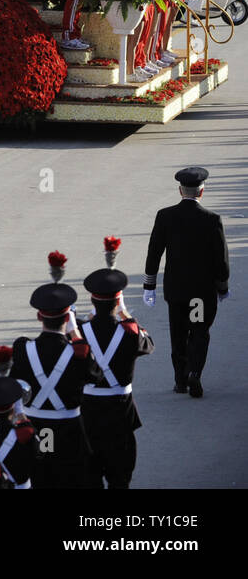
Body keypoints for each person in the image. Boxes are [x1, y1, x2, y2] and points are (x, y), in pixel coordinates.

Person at [144, 167, 231, 398]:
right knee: (199, 332)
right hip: (201, 293)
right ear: (202, 192)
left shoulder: (165, 216)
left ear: (180, 190)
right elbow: (220, 258)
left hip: (177, 290)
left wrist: (149, 286)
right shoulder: (212, 220)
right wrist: (222, 286)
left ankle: (180, 380)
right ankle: (195, 373)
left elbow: (154, 252)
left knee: (178, 336)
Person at [9, 283, 98, 488]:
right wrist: (75, 334)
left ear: (39, 317)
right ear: (68, 319)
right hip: (70, 431)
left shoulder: (23, 349)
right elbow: (96, 376)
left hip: (36, 427)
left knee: (40, 479)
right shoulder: (79, 354)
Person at [79, 264, 153, 488]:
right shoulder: (130, 334)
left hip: (88, 413)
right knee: (120, 477)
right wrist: (126, 314)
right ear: (118, 300)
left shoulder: (80, 332)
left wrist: (88, 317)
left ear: (92, 301)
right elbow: (148, 344)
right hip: (120, 412)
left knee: (89, 477)